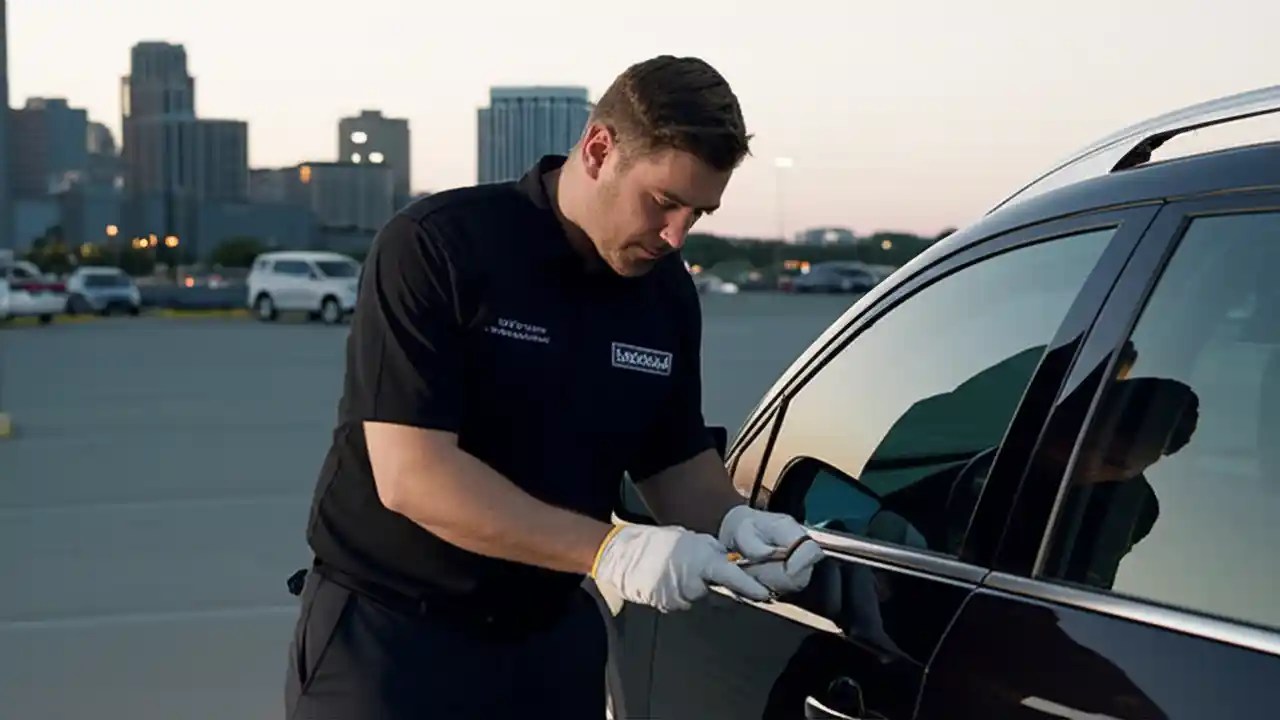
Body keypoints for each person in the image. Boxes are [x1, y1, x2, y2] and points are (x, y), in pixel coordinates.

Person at [283, 55, 824, 719]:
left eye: (699, 213)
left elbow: (672, 458)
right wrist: (610, 549)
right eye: (664, 202)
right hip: (394, 639)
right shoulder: (439, 247)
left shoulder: (666, 293)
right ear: (599, 149)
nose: (676, 234)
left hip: (551, 638)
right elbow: (412, 475)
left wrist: (739, 522)